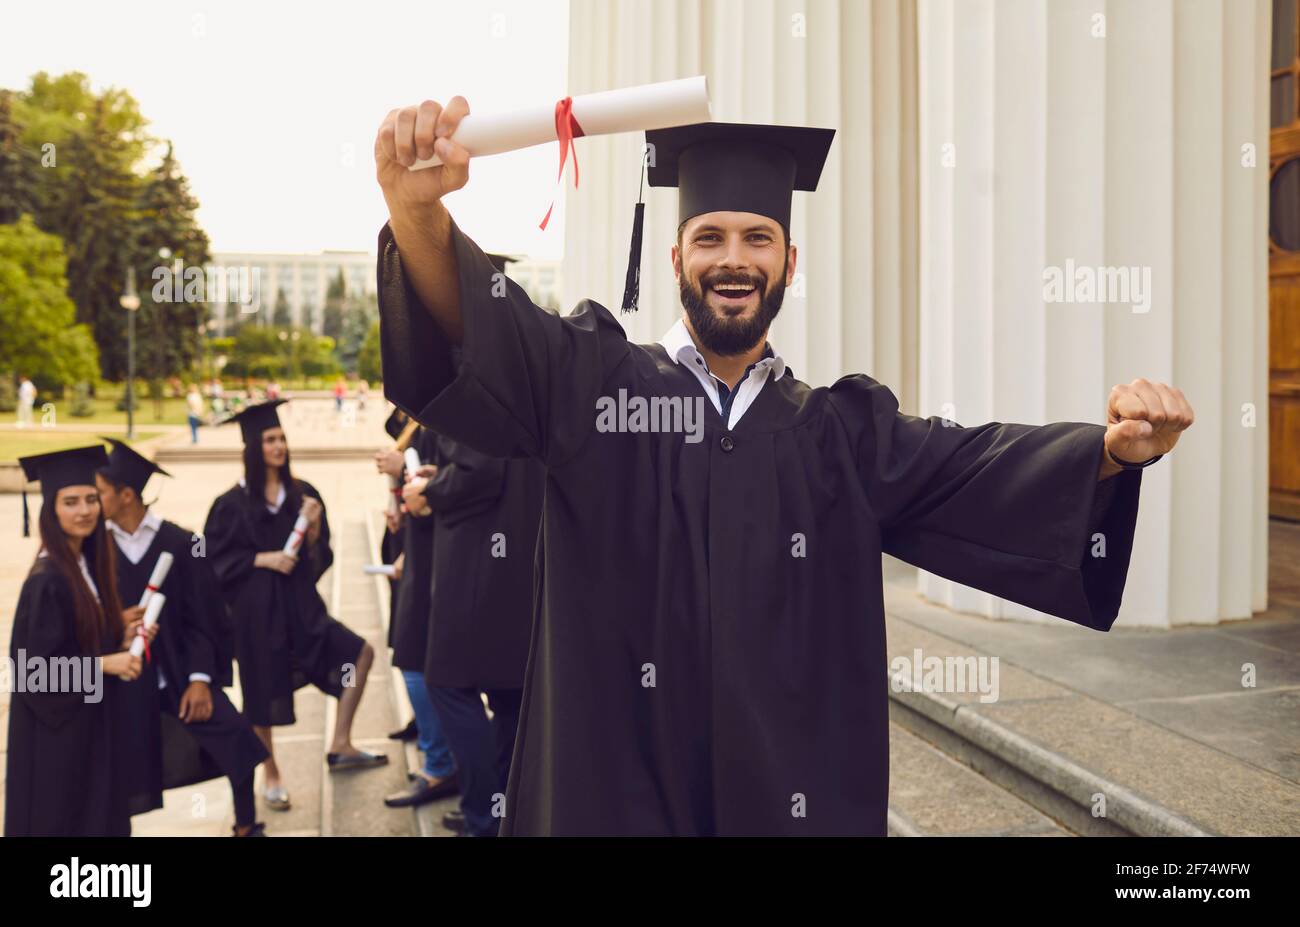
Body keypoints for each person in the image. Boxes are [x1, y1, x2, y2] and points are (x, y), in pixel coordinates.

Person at [373, 101, 1196, 836]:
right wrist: (419, 214)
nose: (735, 260)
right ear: (675, 259)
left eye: (758, 238)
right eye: (711, 238)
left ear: (789, 264)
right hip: (618, 798)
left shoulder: (840, 433)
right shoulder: (594, 388)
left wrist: (1108, 454)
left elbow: (972, 465)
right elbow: (485, 327)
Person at [203, 399, 387, 813]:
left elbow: (321, 558)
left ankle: (340, 743)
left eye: (282, 438)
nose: (279, 446)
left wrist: (316, 527)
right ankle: (271, 774)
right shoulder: (230, 504)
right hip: (256, 617)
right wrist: (261, 559)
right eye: (269, 439)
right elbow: (212, 565)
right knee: (261, 696)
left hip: (302, 609)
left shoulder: (304, 495)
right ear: (253, 447)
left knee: (359, 654)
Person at [96, 438, 271, 837]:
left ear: (126, 496)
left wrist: (200, 679)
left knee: (237, 741)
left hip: (177, 672)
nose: (93, 501)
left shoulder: (182, 542)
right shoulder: (96, 547)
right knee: (108, 767)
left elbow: (207, 619)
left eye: (100, 493)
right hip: (122, 678)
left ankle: (246, 826)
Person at [5, 445, 148, 836]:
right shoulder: (47, 580)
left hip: (88, 730)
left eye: (90, 499)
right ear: (51, 510)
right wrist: (107, 664)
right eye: (70, 502)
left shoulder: (84, 563)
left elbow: (71, 639)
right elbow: (33, 674)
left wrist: (117, 629)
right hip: (59, 742)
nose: (84, 510)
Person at [410, 430, 542, 836]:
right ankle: (504, 808)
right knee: (508, 695)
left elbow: (479, 471)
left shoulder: (475, 376)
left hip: (475, 561)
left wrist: (430, 490)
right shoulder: (524, 379)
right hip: (519, 553)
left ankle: (483, 814)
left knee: (446, 683)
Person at [376, 424, 459, 810]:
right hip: (419, 547)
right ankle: (439, 754)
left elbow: (443, 490)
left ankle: (441, 762)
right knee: (413, 659)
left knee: (416, 662)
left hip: (431, 554)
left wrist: (414, 477)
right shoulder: (419, 418)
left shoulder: (440, 417)